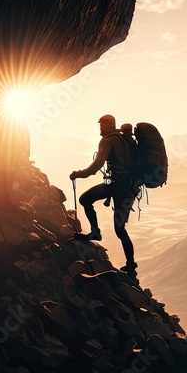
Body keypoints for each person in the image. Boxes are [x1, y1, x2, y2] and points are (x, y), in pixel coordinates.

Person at [69, 114, 139, 276]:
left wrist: (77, 174)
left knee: (86, 200)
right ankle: (131, 266)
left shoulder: (107, 141)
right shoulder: (125, 140)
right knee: (120, 229)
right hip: (128, 188)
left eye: (101, 125)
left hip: (116, 186)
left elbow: (95, 168)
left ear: (108, 125)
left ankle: (96, 232)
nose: (100, 129)